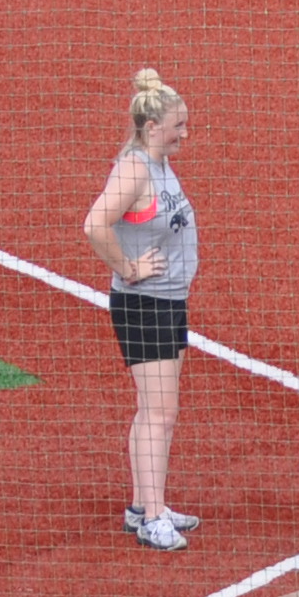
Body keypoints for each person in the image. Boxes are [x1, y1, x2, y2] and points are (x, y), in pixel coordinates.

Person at [83, 67, 208, 551]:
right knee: (159, 413)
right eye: (178, 125)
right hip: (144, 304)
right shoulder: (134, 169)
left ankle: (144, 506)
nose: (185, 133)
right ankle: (154, 517)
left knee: (156, 412)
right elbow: (95, 225)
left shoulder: (156, 163)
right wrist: (129, 267)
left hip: (169, 301)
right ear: (152, 127)